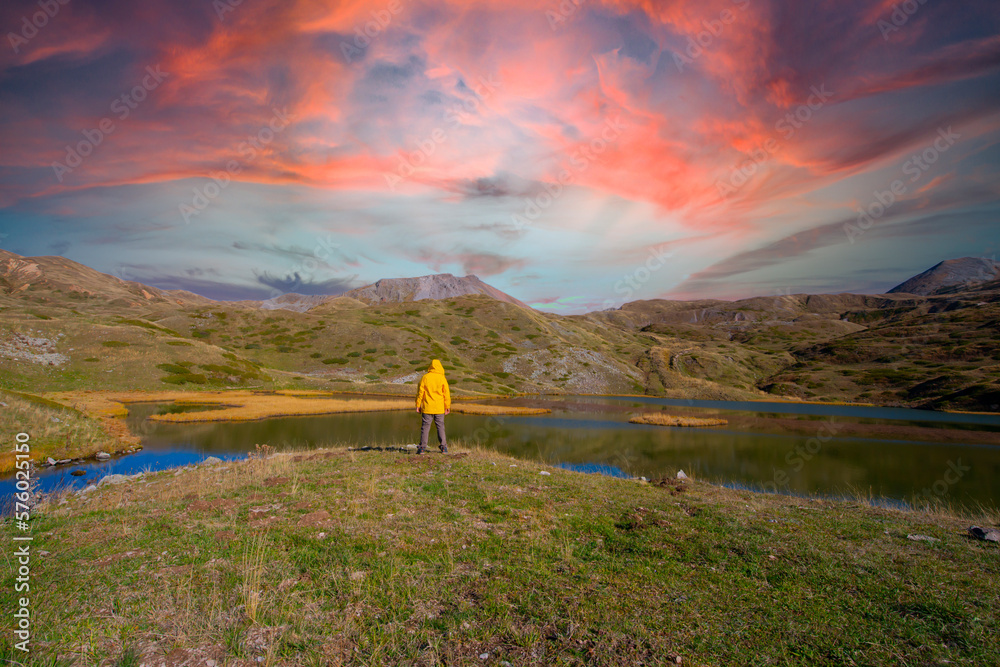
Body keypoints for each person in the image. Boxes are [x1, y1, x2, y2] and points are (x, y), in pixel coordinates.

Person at [415, 358, 450, 453]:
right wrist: (447, 406)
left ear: (431, 366)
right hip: (439, 408)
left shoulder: (425, 377)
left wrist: (418, 405)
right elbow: (446, 394)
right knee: (440, 427)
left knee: (425, 427)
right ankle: (444, 448)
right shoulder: (442, 378)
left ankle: (422, 448)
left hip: (427, 407)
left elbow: (420, 393)